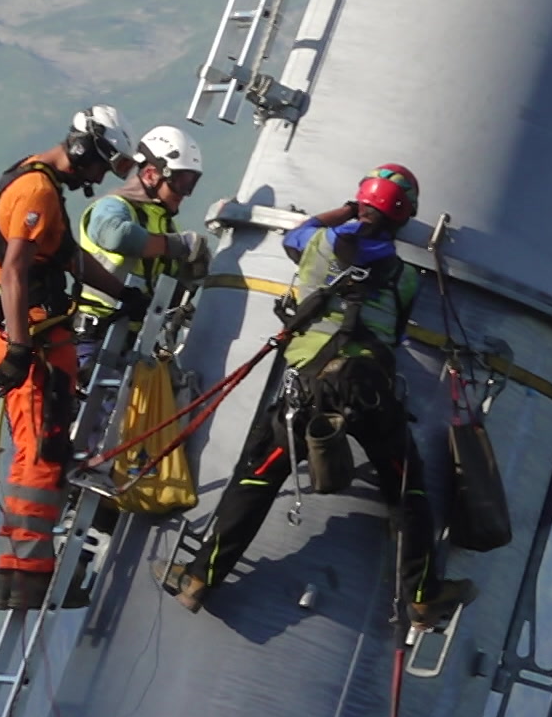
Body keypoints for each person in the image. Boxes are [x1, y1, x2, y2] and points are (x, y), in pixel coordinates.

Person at [156, 164, 475, 629]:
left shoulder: (318, 245)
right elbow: (398, 334)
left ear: (359, 203)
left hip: (306, 386)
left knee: (258, 478)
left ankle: (200, 576)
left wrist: (346, 210)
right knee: (408, 487)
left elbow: (299, 232)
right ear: (402, 220)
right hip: (368, 389)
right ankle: (422, 596)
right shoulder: (405, 278)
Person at [0, 104, 146, 611]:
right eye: (101, 164)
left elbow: (67, 257)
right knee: (38, 455)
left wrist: (121, 292)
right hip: (31, 340)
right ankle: (28, 579)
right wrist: (19, 345)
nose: (99, 177)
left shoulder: (40, 181)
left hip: (44, 337)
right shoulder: (35, 190)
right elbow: (14, 271)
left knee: (48, 447)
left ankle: (27, 574)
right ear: (83, 150)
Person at [72, 124, 211, 372]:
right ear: (150, 174)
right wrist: (175, 245)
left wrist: (192, 274)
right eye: (179, 181)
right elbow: (116, 235)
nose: (185, 193)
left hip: (132, 346)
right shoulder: (114, 207)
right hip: (93, 341)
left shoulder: (165, 223)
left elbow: (167, 291)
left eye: (191, 183)